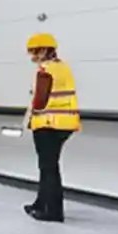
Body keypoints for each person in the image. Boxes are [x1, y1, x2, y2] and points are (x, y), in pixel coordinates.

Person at [22, 33, 80, 222]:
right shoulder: (63, 68)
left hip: (48, 124)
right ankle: (40, 203)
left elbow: (39, 101)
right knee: (48, 166)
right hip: (65, 123)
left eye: (36, 51)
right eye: (31, 51)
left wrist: (29, 120)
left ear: (47, 50)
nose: (33, 56)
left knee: (48, 168)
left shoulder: (45, 71)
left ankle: (53, 212)